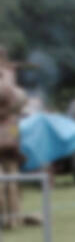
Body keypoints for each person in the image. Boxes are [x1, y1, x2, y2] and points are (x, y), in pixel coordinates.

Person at [0, 48, 27, 229]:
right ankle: (14, 219)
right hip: (11, 131)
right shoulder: (9, 76)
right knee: (12, 179)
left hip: (6, 132)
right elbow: (20, 100)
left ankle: (6, 219)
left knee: (6, 181)